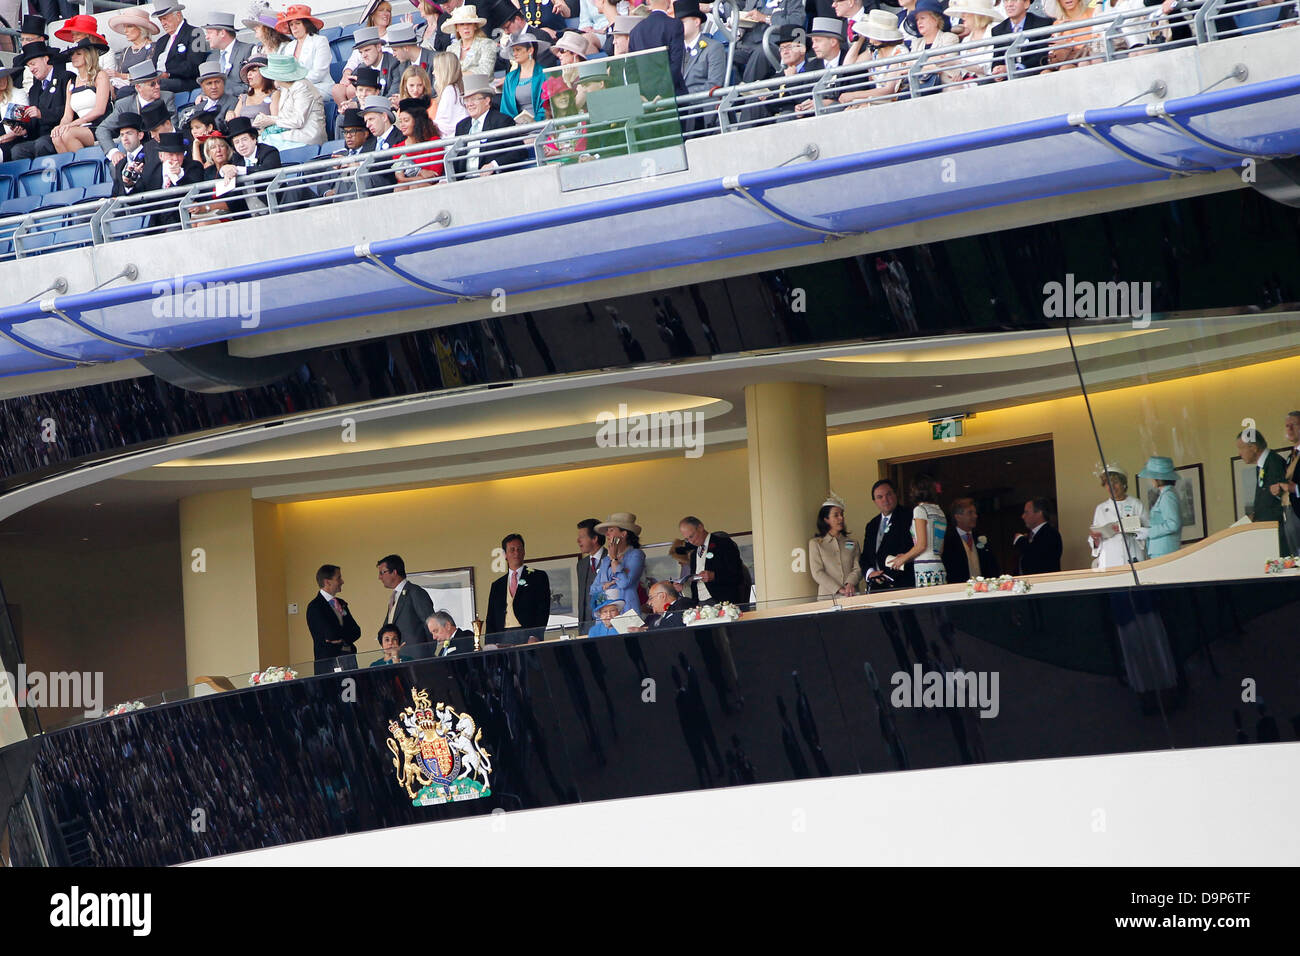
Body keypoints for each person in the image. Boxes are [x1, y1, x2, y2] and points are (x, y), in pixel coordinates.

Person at [98, 62, 176, 161]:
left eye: (158, 82)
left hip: (161, 148)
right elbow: (102, 129)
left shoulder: (167, 97)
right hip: (136, 151)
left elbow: (172, 127)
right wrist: (113, 152)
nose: (157, 86)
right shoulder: (124, 105)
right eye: (152, 84)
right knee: (115, 167)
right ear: (138, 87)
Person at [453, 73, 527, 176]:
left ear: (487, 101)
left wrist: (494, 165)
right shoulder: (461, 126)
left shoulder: (502, 121)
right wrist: (444, 179)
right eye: (466, 100)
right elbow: (454, 157)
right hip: (465, 182)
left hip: (491, 181)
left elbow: (519, 151)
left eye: (474, 99)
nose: (469, 104)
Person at [484, 533, 552, 644]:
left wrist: (535, 635)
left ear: (524, 552)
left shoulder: (538, 577)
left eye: (519, 549)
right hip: (503, 637)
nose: (516, 553)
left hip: (528, 635)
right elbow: (491, 618)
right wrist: (489, 644)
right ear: (505, 554)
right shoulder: (497, 585)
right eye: (512, 550)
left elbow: (543, 609)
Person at [6, 41, 69, 160]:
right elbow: (33, 123)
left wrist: (41, 114)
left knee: (42, 144)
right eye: (29, 66)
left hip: (60, 133)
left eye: (33, 64)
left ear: (45, 59)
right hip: (39, 137)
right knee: (18, 150)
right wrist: (24, 130)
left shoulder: (65, 78)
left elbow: (69, 110)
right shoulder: (35, 89)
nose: (31, 69)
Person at [884, 473, 948, 587]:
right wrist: (907, 557)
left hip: (924, 568)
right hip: (938, 565)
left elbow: (921, 545)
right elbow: (938, 549)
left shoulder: (920, 510)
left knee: (928, 603)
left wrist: (903, 558)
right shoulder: (939, 511)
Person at [48, 38, 110, 153]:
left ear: (89, 56)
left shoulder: (100, 76)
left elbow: (99, 110)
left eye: (78, 54)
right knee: (57, 137)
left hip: (101, 126)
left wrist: (74, 124)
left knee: (67, 134)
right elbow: (67, 116)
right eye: (72, 54)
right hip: (81, 127)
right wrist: (60, 127)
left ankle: (87, 167)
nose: (73, 57)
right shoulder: (71, 82)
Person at [253, 53, 326, 148]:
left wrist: (271, 120)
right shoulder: (285, 88)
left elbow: (298, 121)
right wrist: (265, 120)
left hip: (306, 136)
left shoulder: (302, 86)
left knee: (264, 146)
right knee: (257, 143)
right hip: (291, 134)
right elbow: (286, 117)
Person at [859, 478, 916, 589]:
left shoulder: (909, 516)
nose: (885, 500)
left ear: (896, 495)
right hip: (878, 587)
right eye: (880, 497)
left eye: (888, 494)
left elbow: (913, 547)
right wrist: (870, 573)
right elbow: (866, 556)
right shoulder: (871, 525)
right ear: (874, 501)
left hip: (904, 583)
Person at [1087, 465, 1147, 569]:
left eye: (1115, 482)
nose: (1112, 487)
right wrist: (1095, 540)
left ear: (1123, 484)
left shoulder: (1136, 504)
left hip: (1133, 557)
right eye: (1107, 484)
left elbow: (1148, 531)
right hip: (1110, 560)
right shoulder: (1101, 509)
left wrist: (1129, 527)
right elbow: (1095, 539)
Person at [306, 564, 362, 675]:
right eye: (339, 578)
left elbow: (356, 631)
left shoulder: (341, 603)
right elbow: (330, 634)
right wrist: (343, 636)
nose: (342, 581)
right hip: (328, 664)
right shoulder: (315, 606)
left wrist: (340, 639)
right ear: (327, 582)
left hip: (349, 659)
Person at [679, 516, 746, 605]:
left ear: (700, 527)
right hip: (700, 603)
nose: (691, 541)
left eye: (691, 536)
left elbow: (737, 575)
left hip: (722, 601)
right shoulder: (694, 554)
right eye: (687, 539)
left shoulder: (723, 544)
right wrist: (683, 586)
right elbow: (695, 583)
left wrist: (714, 576)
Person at [377, 553, 436, 653]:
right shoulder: (394, 596)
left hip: (416, 657)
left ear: (394, 572)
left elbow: (430, 624)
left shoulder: (415, 592)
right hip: (398, 657)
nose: (379, 577)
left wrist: (427, 652)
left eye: (382, 572)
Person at [628, 0, 687, 97]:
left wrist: (641, 95)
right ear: (668, 1)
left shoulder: (635, 31)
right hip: (672, 96)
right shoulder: (674, 25)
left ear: (649, 2)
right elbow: (675, 63)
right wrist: (662, 94)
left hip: (646, 100)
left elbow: (631, 69)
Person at [809, 493, 863, 598]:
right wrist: (839, 589)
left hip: (851, 595)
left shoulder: (852, 543)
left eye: (842, 514)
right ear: (826, 519)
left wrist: (850, 583)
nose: (841, 518)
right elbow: (817, 572)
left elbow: (858, 568)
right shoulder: (816, 544)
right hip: (828, 597)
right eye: (836, 515)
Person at [592, 511, 646, 614]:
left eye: (611, 530)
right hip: (606, 614)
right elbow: (593, 588)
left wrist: (614, 559)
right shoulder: (606, 560)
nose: (607, 534)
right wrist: (604, 586)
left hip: (627, 611)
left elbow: (624, 583)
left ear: (623, 534)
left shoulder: (636, 555)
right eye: (607, 531)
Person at [277, 4, 333, 99]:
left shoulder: (320, 40)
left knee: (298, 95)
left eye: (297, 23)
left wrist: (295, 83)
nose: (294, 27)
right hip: (294, 89)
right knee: (277, 96)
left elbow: (319, 73)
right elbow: (286, 72)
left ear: (306, 25)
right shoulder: (289, 46)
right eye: (291, 25)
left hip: (319, 87)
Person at [152, 1, 208, 94]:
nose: (163, 23)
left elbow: (195, 65)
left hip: (185, 80)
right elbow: (153, 65)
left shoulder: (196, 33)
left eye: (165, 18)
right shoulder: (161, 40)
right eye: (160, 20)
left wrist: (169, 74)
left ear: (178, 15)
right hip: (160, 80)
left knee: (156, 85)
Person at [941, 497, 999, 583]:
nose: (975, 516)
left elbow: (991, 564)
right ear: (958, 517)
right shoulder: (948, 541)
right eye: (970, 513)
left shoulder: (980, 537)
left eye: (975, 513)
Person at [106, 9, 161, 100]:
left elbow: (148, 72)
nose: (125, 31)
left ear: (141, 28)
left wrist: (121, 76)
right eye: (124, 27)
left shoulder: (153, 47)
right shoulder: (126, 51)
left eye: (129, 26)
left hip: (143, 88)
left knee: (124, 92)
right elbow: (119, 73)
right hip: (122, 88)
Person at [991, 0, 1053, 77]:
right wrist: (997, 70)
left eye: (1014, 0)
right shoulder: (998, 30)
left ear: (1026, 3)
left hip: (1033, 72)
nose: (1009, 4)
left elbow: (1042, 56)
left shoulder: (1042, 24)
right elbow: (997, 58)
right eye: (1006, 1)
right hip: (1008, 75)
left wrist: (1015, 67)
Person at [1238, 425, 1286, 523]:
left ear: (1254, 447)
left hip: (1276, 529)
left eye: (1241, 448)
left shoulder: (1274, 463)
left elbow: (1278, 501)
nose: (1239, 453)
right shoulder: (1261, 466)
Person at [1138, 456, 1183, 559]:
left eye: (1152, 476)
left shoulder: (1168, 495)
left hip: (1165, 551)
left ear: (1158, 478)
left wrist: (1149, 532)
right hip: (1161, 550)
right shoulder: (1166, 494)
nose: (1150, 479)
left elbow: (1173, 524)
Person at [677, 2, 726, 95]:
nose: (678, 26)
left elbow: (714, 84)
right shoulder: (676, 50)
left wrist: (682, 94)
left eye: (682, 22)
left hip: (703, 106)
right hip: (680, 106)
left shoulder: (714, 48)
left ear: (696, 22)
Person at [500, 29, 548, 123]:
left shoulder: (544, 74)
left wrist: (535, 122)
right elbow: (506, 109)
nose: (514, 54)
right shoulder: (510, 78)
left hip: (541, 125)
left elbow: (547, 106)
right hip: (517, 130)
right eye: (513, 50)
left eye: (518, 49)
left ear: (530, 50)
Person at [1270, 411, 1300, 557]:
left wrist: (1294, 488)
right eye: (1286, 426)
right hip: (1290, 513)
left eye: (1293, 425)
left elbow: (1293, 487)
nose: (1289, 429)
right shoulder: (1291, 457)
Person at [204, 12, 254, 96]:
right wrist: (202, 94)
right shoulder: (211, 58)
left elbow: (251, 85)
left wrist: (224, 93)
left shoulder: (247, 50)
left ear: (222, 33)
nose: (207, 37)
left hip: (237, 102)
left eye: (209, 33)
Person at [107, 112, 154, 197]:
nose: (124, 138)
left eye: (129, 133)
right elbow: (115, 194)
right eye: (122, 135)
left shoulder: (150, 156)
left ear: (140, 135)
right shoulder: (120, 164)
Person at [444, 5, 497, 77]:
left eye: (469, 23)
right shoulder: (450, 49)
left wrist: (457, 76)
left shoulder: (487, 44)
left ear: (475, 26)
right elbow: (446, 73)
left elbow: (485, 71)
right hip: (456, 87)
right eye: (462, 24)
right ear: (456, 28)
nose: (466, 27)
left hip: (481, 87)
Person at [1013, 497, 1063, 573]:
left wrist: (1020, 540)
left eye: (1026, 512)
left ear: (1039, 513)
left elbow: (1035, 557)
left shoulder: (1050, 533)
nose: (1023, 516)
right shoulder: (1031, 535)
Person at [575, 517, 606, 631]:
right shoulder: (581, 565)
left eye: (582, 537)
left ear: (595, 538)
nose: (578, 540)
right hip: (585, 626)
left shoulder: (611, 559)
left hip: (607, 623)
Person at [430, 51, 468, 138]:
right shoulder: (455, 89)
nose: (433, 73)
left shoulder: (449, 90)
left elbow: (445, 125)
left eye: (436, 68)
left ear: (444, 71)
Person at [227, 56, 276, 123]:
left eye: (254, 70)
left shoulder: (274, 94)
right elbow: (235, 123)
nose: (249, 74)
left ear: (265, 73)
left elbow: (276, 121)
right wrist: (230, 113)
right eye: (248, 71)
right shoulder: (243, 98)